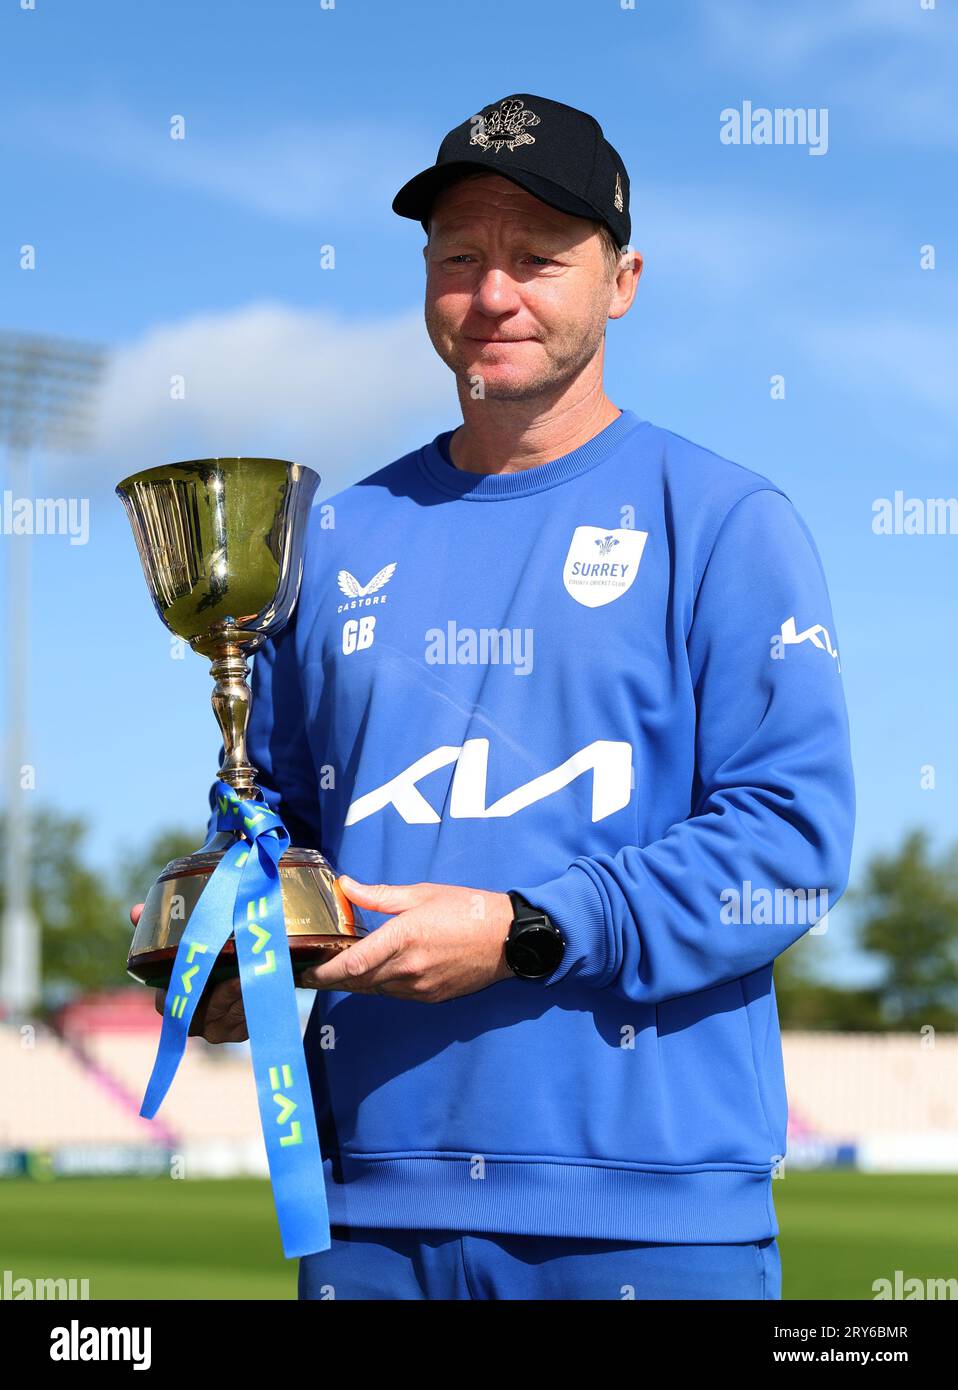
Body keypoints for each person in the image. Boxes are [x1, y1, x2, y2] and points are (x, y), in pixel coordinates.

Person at [132, 93, 855, 1300]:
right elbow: (279, 826)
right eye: (460, 258)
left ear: (620, 281)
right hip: (364, 1216)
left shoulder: (722, 520)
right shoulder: (331, 534)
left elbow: (787, 841)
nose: (495, 292)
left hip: (650, 1221)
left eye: (538, 257)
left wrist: (526, 929)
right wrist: (231, 952)